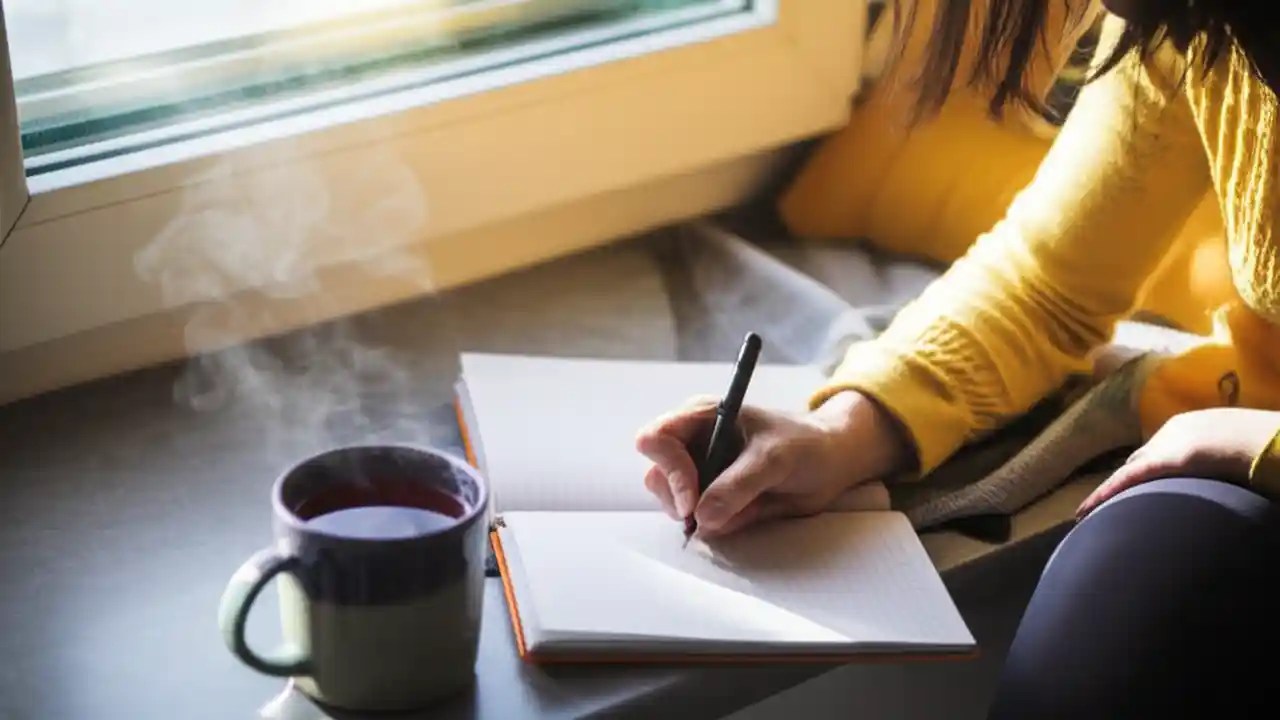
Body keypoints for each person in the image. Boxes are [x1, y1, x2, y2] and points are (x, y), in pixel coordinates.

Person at [636, 0, 1280, 716]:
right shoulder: (1186, 26)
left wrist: (1260, 438)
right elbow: (1050, 286)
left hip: (1247, 442)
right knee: (1129, 598)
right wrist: (845, 430)